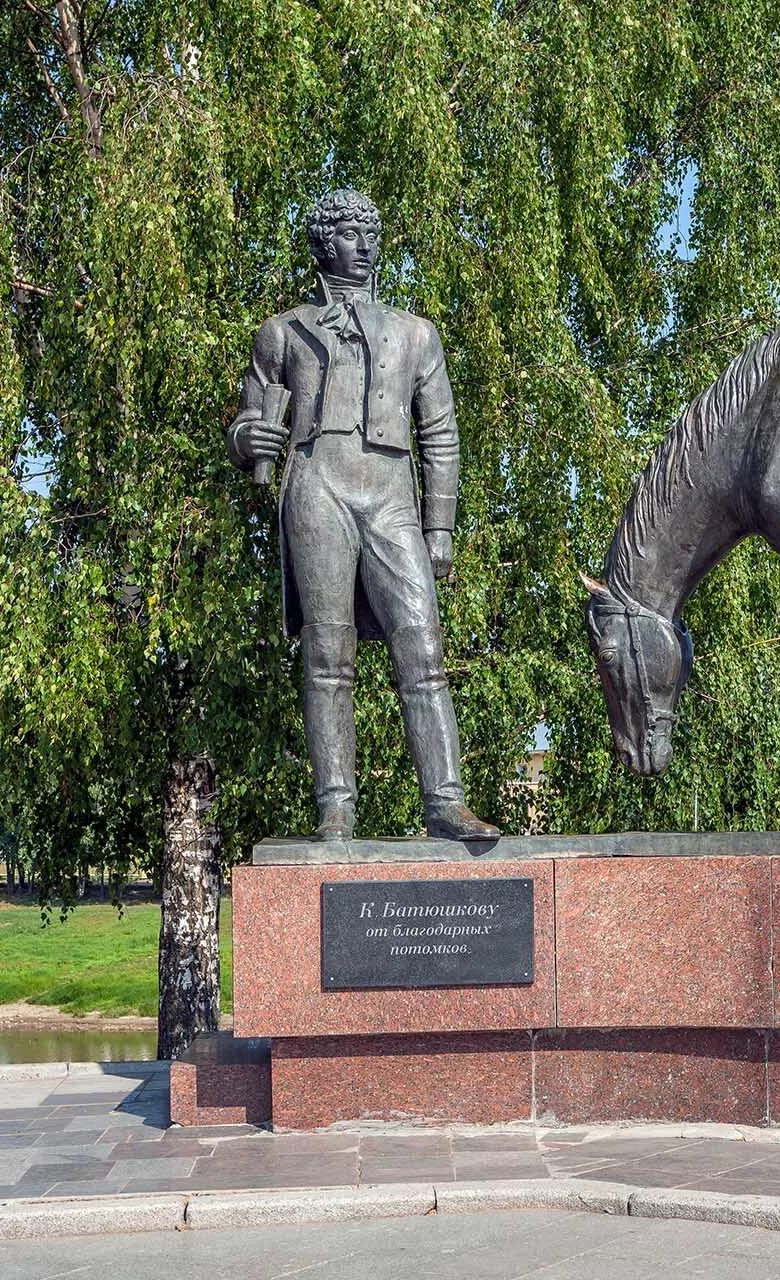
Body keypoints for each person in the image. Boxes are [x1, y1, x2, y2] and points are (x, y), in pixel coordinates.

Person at [228, 188, 499, 842]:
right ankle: (336, 809)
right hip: (318, 486)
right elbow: (248, 416)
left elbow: (440, 436)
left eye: (370, 231)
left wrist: (439, 528)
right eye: (350, 233)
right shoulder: (282, 331)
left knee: (422, 645)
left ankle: (445, 802)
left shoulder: (415, 334)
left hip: (388, 493)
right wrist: (247, 440)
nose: (364, 244)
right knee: (327, 654)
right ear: (325, 244)